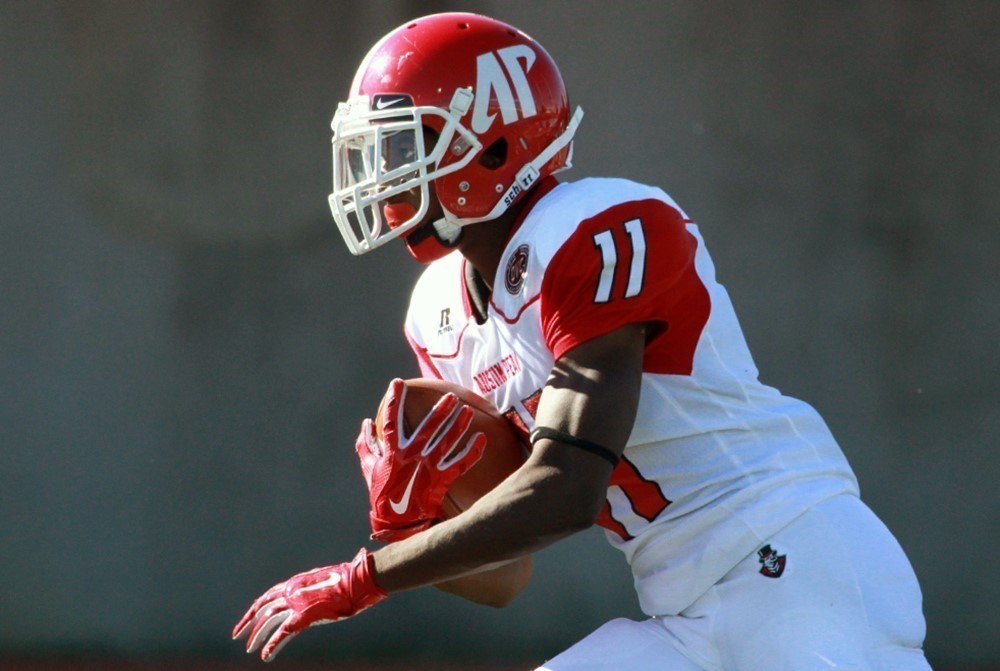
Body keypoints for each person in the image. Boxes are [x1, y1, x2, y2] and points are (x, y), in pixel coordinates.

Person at [233, 12, 932, 670]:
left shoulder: (596, 229)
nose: (381, 170)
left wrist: (367, 577)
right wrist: (408, 525)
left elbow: (566, 489)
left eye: (404, 144)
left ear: (494, 145)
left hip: (799, 563)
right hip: (683, 613)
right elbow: (505, 576)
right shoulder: (437, 312)